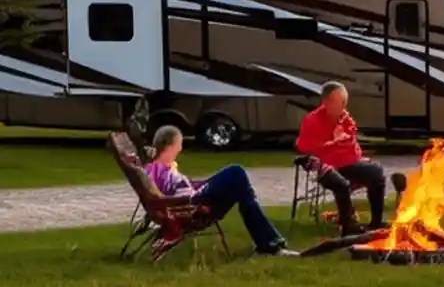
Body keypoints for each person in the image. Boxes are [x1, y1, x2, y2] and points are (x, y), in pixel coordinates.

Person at [144, 126, 297, 257]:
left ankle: (269, 244)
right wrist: (192, 196)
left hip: (194, 197)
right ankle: (269, 243)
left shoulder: (162, 167)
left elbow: (174, 189)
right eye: (179, 144)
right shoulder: (157, 169)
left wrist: (197, 185)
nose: (181, 149)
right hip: (192, 202)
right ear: (170, 146)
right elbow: (164, 198)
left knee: (241, 189)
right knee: (236, 173)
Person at [296, 81, 388, 236]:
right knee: (349, 180)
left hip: (349, 163)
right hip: (327, 165)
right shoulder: (312, 120)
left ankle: (376, 222)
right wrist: (332, 141)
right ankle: (348, 224)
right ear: (325, 102)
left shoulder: (344, 118)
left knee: (376, 173)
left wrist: (354, 152)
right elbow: (304, 146)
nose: (342, 107)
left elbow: (351, 142)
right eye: (338, 102)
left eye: (344, 102)